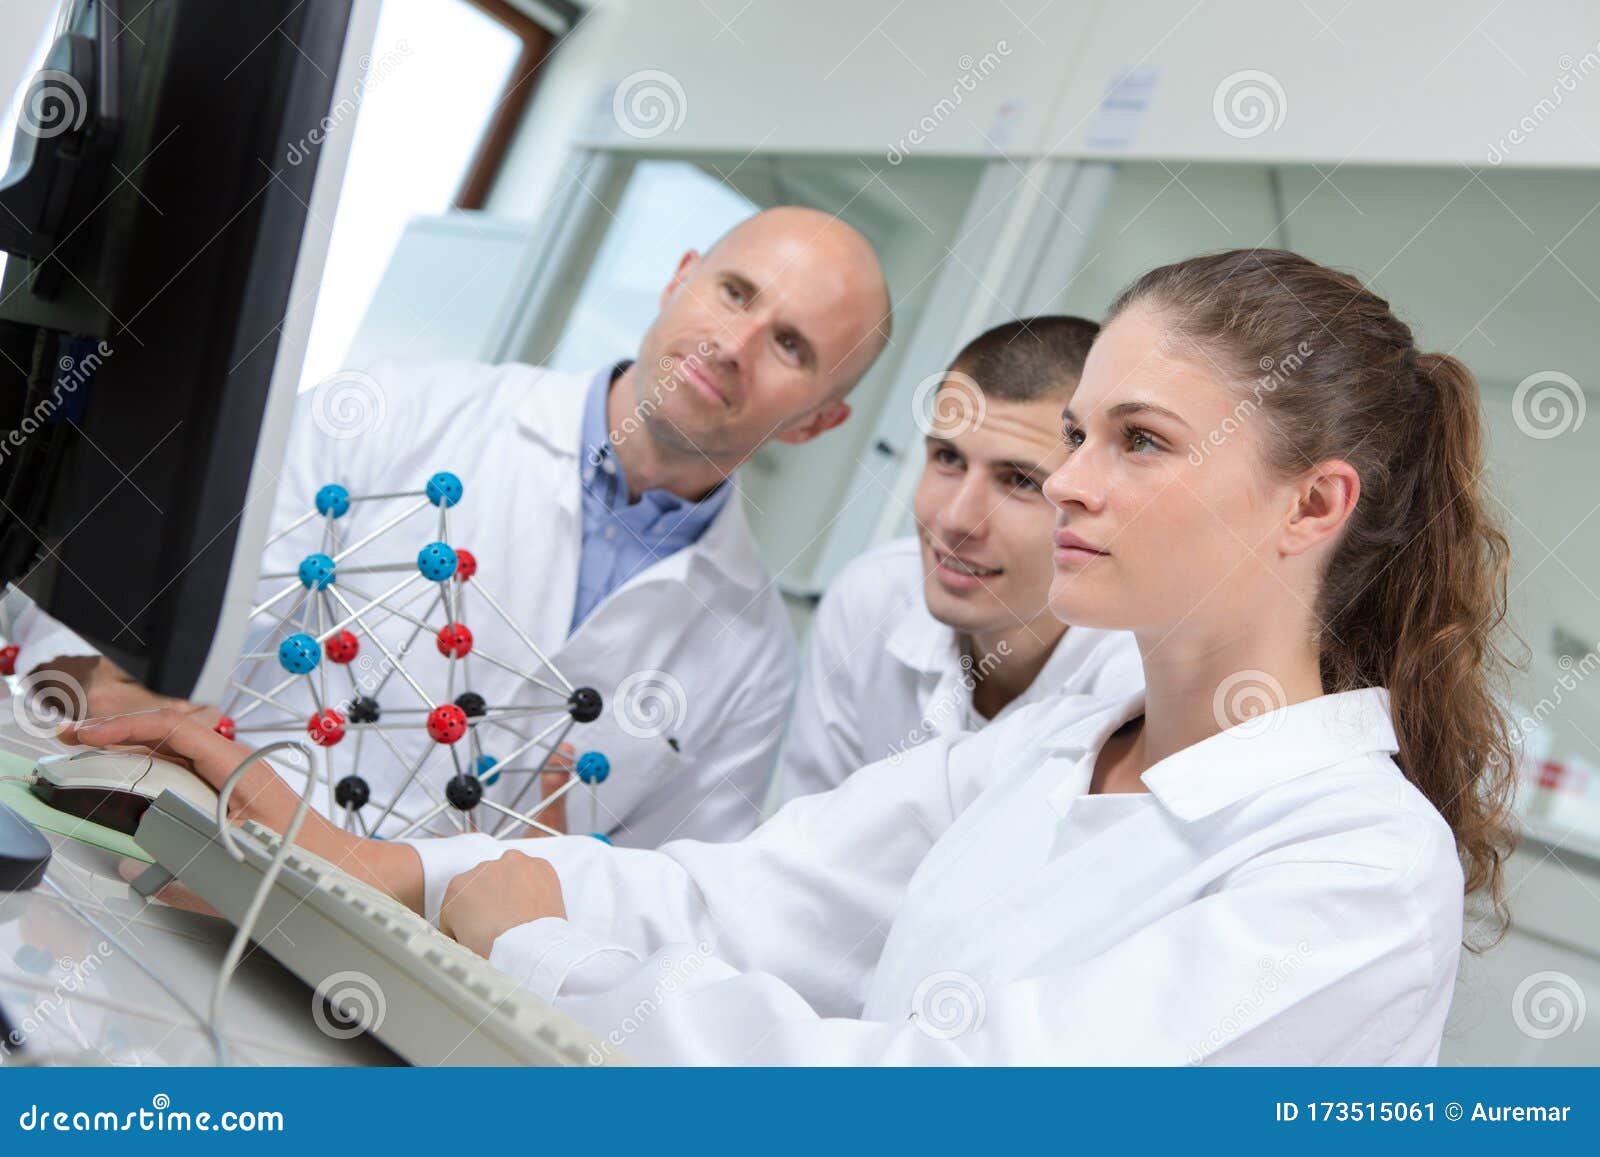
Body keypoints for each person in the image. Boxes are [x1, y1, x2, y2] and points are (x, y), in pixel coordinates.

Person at [66, 249, 1518, 1065]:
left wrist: (529, 935)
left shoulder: (1354, 871)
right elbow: (745, 898)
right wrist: (398, 867)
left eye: (1135, 442)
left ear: (1312, 505)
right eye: (1077, 434)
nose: (1065, 485)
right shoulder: (1041, 756)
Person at [44, 206, 893, 846]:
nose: (734, 344)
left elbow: (653, 916)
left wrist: (557, 892)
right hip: (175, 853)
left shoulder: (753, 663)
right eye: (733, 292)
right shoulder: (388, 412)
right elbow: (121, 635)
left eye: (791, 346)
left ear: (818, 422)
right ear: (678, 279)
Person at [779, 317, 1141, 801]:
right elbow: (805, 854)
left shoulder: (1140, 684)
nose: (954, 519)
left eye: (1020, 481)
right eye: (948, 459)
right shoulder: (870, 599)